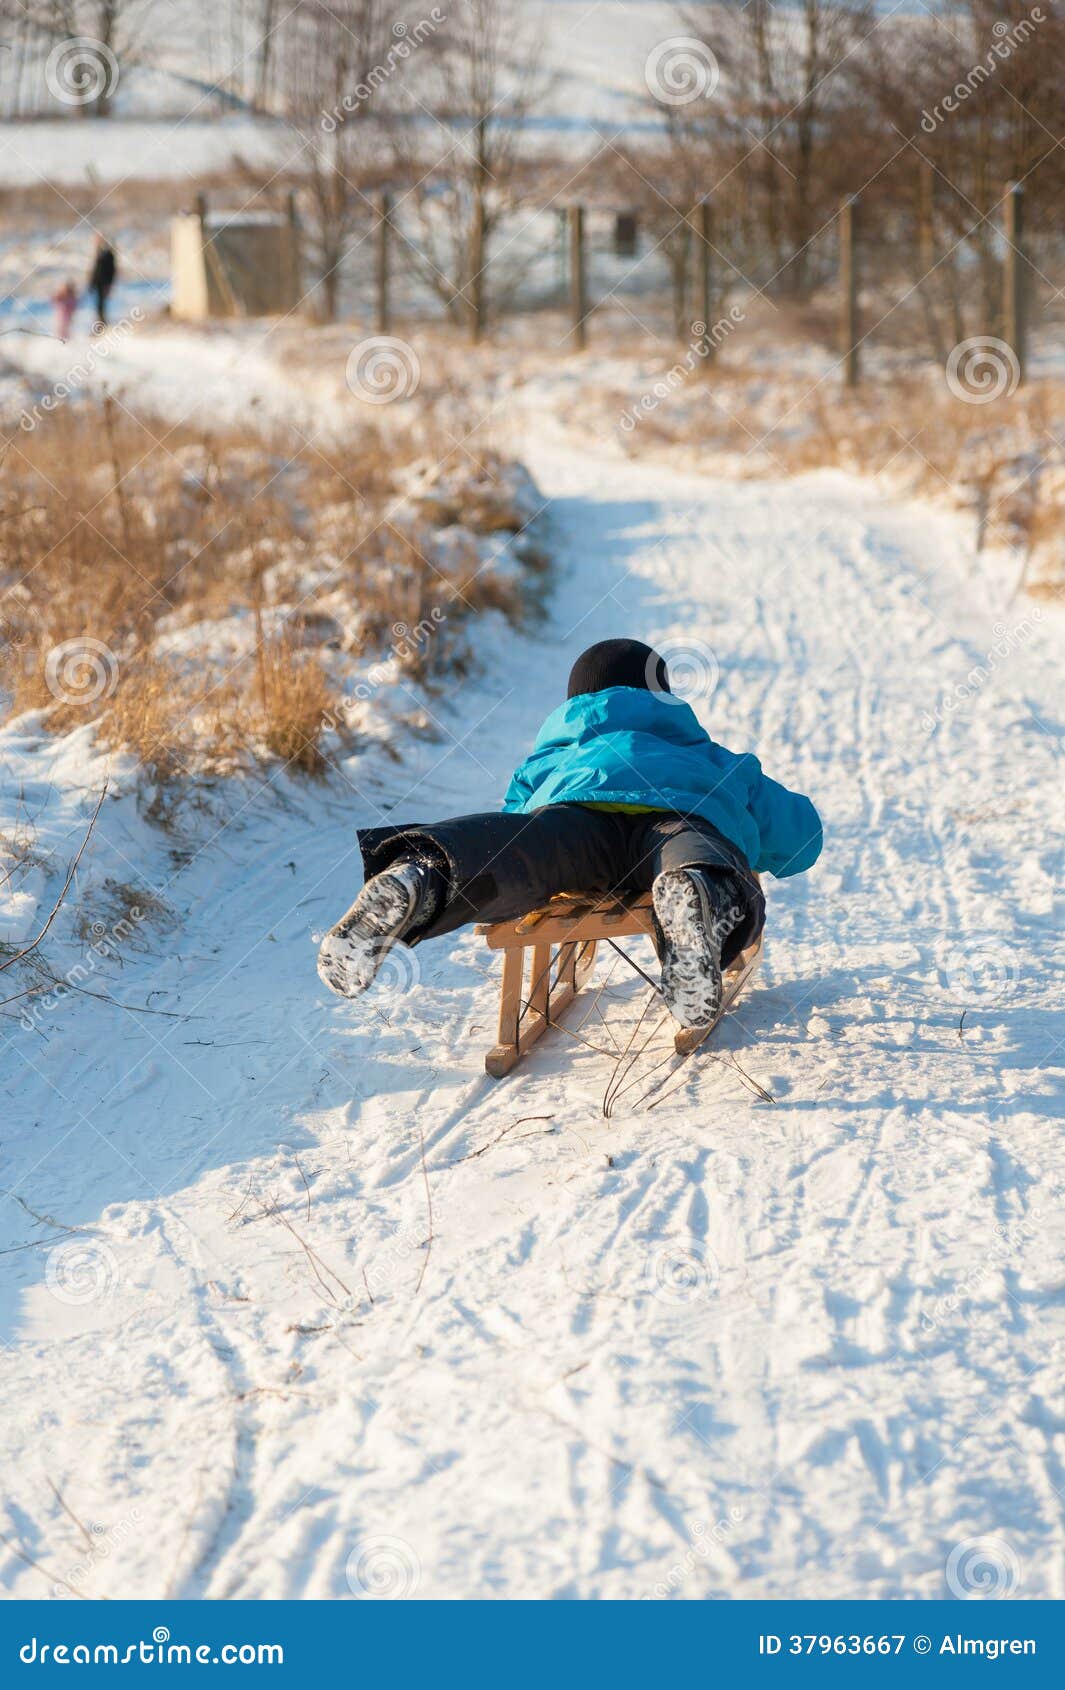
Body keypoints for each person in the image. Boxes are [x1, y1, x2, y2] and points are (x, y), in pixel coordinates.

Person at [317, 638, 823, 1030]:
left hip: (575, 820)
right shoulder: (713, 758)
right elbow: (801, 838)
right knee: (697, 851)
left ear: (573, 706)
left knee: (522, 848)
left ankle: (427, 876)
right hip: (678, 815)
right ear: (665, 700)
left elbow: (513, 817)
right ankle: (697, 899)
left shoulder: (550, 759)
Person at [87, 235, 116, 330]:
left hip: (104, 283)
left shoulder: (109, 254)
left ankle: (102, 325)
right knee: (98, 305)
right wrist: (91, 284)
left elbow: (111, 271)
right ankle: (100, 324)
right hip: (97, 284)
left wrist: (109, 284)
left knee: (102, 304)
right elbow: (95, 271)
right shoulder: (98, 253)